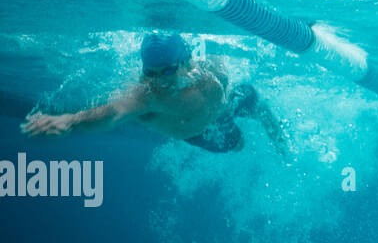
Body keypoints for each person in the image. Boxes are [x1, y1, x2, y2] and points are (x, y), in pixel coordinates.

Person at [20, 32, 289, 157]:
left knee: (258, 105)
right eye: (151, 72)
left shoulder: (211, 70)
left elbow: (222, 31)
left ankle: (283, 147)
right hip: (200, 132)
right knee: (238, 146)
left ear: (187, 64)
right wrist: (71, 121)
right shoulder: (146, 97)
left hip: (224, 105)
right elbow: (114, 112)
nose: (159, 81)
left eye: (167, 71)